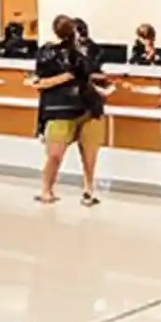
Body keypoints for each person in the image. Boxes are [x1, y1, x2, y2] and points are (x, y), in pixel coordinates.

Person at [32, 15, 106, 206]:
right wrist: (69, 75)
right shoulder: (49, 53)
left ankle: (82, 189)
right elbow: (41, 82)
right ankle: (53, 189)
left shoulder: (84, 51)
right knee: (61, 154)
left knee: (74, 155)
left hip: (81, 106)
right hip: (69, 107)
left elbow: (89, 72)